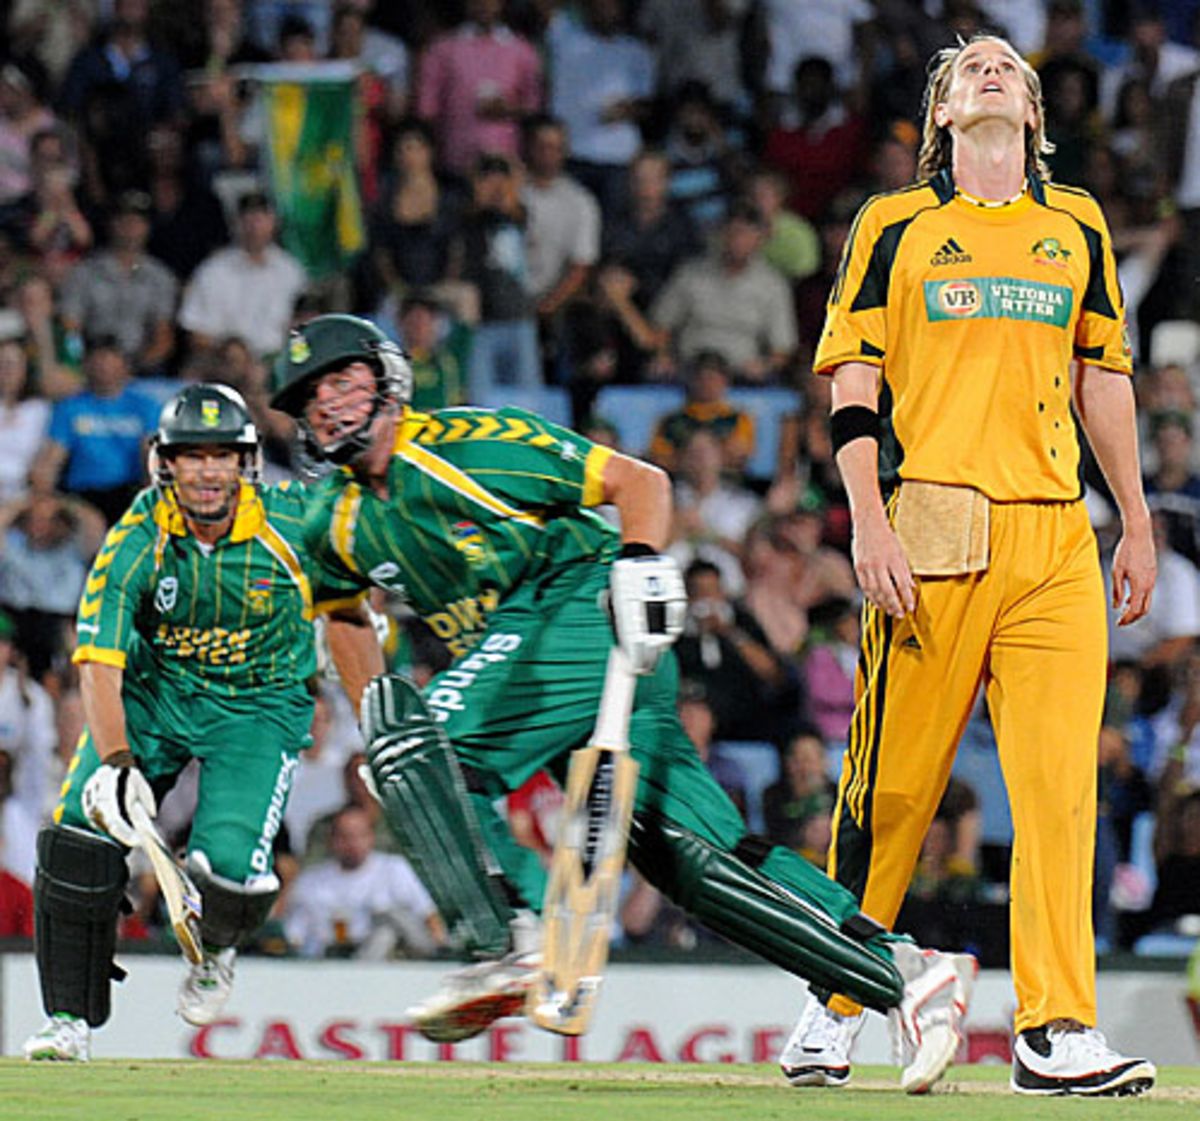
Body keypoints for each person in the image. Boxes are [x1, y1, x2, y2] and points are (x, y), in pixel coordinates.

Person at [268, 312, 977, 1094]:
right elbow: (339, 610)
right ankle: (907, 972)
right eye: (310, 395)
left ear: (386, 377)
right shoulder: (329, 515)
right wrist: (375, 703)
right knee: (701, 863)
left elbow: (639, 481)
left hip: (582, 609)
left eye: (342, 380)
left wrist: (641, 561)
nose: (328, 403)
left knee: (425, 747)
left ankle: (505, 936)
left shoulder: (467, 442)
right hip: (542, 665)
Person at [784, 34, 1158, 1097]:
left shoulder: (1076, 223)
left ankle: (1054, 1029)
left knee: (1055, 792)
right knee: (892, 788)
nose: (991, 72)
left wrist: (1132, 514)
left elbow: (1105, 375)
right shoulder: (894, 225)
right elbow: (852, 377)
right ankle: (836, 991)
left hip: (1054, 534)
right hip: (934, 524)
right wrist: (867, 519)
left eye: (1009, 69)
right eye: (969, 70)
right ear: (942, 115)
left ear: (1034, 115)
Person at [21, 383, 379, 1061]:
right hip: (157, 698)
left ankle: (214, 947)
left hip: (260, 704)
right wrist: (120, 762)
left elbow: (357, 577)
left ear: (246, 461)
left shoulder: (296, 522)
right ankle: (68, 1021)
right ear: (165, 462)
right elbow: (98, 661)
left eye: (222, 455)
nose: (208, 471)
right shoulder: (137, 534)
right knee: (75, 839)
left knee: (233, 876)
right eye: (193, 456)